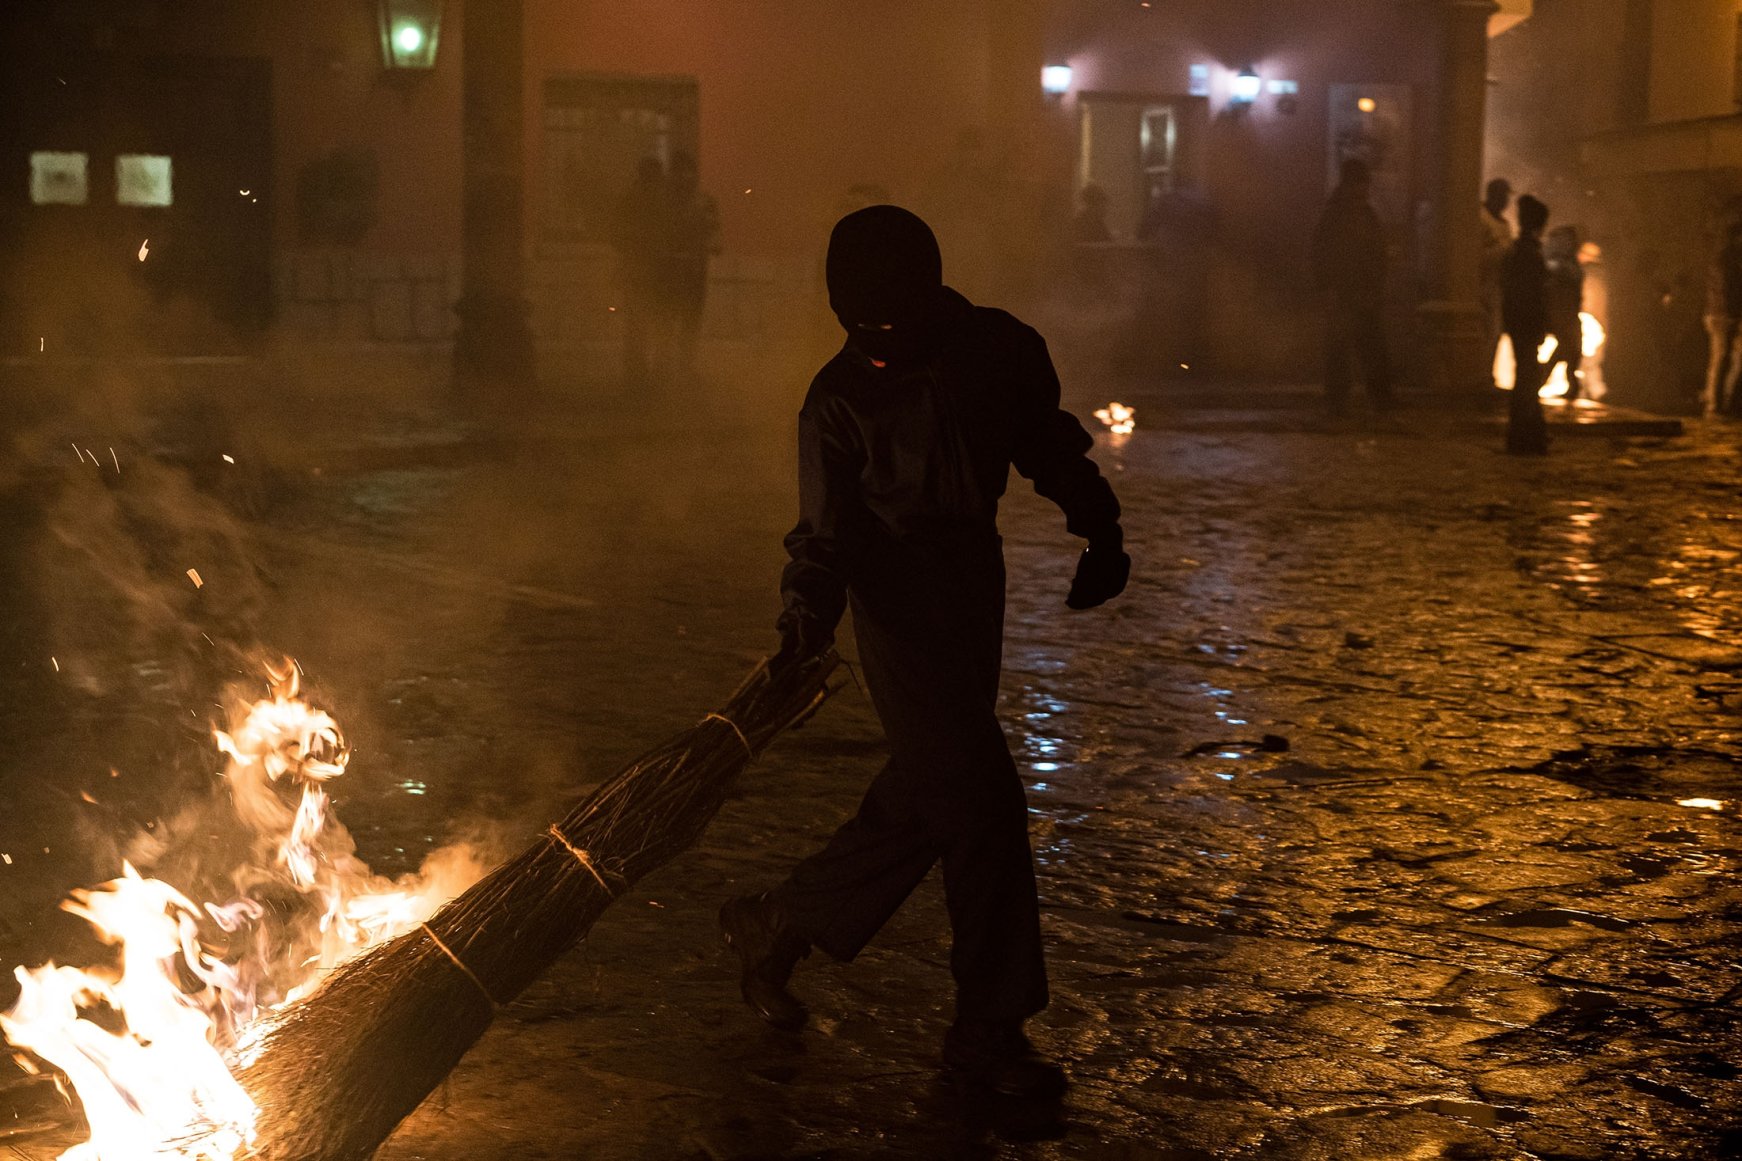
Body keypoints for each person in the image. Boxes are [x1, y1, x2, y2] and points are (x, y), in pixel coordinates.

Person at [719, 205, 1129, 1098]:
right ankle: (989, 1025)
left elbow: (1046, 443)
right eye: (861, 329)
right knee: (981, 802)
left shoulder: (994, 349)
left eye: (890, 325)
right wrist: (804, 624)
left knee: (932, 790)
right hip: (896, 606)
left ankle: (780, 919)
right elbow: (824, 537)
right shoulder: (836, 398)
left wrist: (1099, 526)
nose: (877, 344)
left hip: (970, 589)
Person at [1310, 158, 1392, 415]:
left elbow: (1378, 251)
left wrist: (1378, 279)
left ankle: (1381, 399)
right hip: (1343, 294)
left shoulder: (1367, 214)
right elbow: (1321, 254)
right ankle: (1337, 401)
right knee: (1339, 349)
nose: (1364, 190)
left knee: (1373, 349)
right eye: (1360, 184)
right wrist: (1327, 288)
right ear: (1349, 184)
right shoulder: (1334, 216)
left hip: (1366, 293)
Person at [661, 151, 721, 384]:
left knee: (690, 319)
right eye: (679, 172)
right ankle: (665, 365)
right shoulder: (664, 203)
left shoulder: (704, 202)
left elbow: (714, 231)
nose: (683, 177)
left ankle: (685, 365)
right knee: (666, 317)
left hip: (694, 268)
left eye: (687, 172)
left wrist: (712, 244)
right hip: (669, 268)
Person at [612, 156, 667, 389]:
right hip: (646, 270)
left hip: (643, 270)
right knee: (646, 323)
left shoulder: (634, 199)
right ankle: (641, 373)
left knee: (640, 324)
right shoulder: (647, 201)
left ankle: (639, 373)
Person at [1502, 194, 1552, 455]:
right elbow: (1531, 294)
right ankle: (1526, 436)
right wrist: (1538, 324)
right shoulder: (1528, 253)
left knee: (1526, 377)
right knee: (1527, 379)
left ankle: (1528, 433)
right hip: (1527, 325)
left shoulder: (1520, 250)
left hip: (1520, 324)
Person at [1702, 219, 1742, 418]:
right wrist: (1730, 313)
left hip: (1726, 315)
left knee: (1729, 358)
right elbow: (1725, 290)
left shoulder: (1729, 259)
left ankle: (1724, 401)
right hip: (1723, 316)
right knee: (1722, 358)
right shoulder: (1726, 260)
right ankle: (1716, 403)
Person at [1544, 224, 1586, 402]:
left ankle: (1568, 384)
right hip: (1559, 313)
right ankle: (1544, 379)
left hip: (1570, 313)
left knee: (1571, 350)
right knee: (1568, 348)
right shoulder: (1555, 264)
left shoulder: (1571, 264)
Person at [1481, 178, 1515, 386]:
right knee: (1482, 331)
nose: (1505, 202)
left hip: (1498, 286)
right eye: (1503, 196)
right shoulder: (1480, 218)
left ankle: (1487, 373)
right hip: (1479, 285)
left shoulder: (1505, 224)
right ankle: (1478, 373)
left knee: (1494, 332)